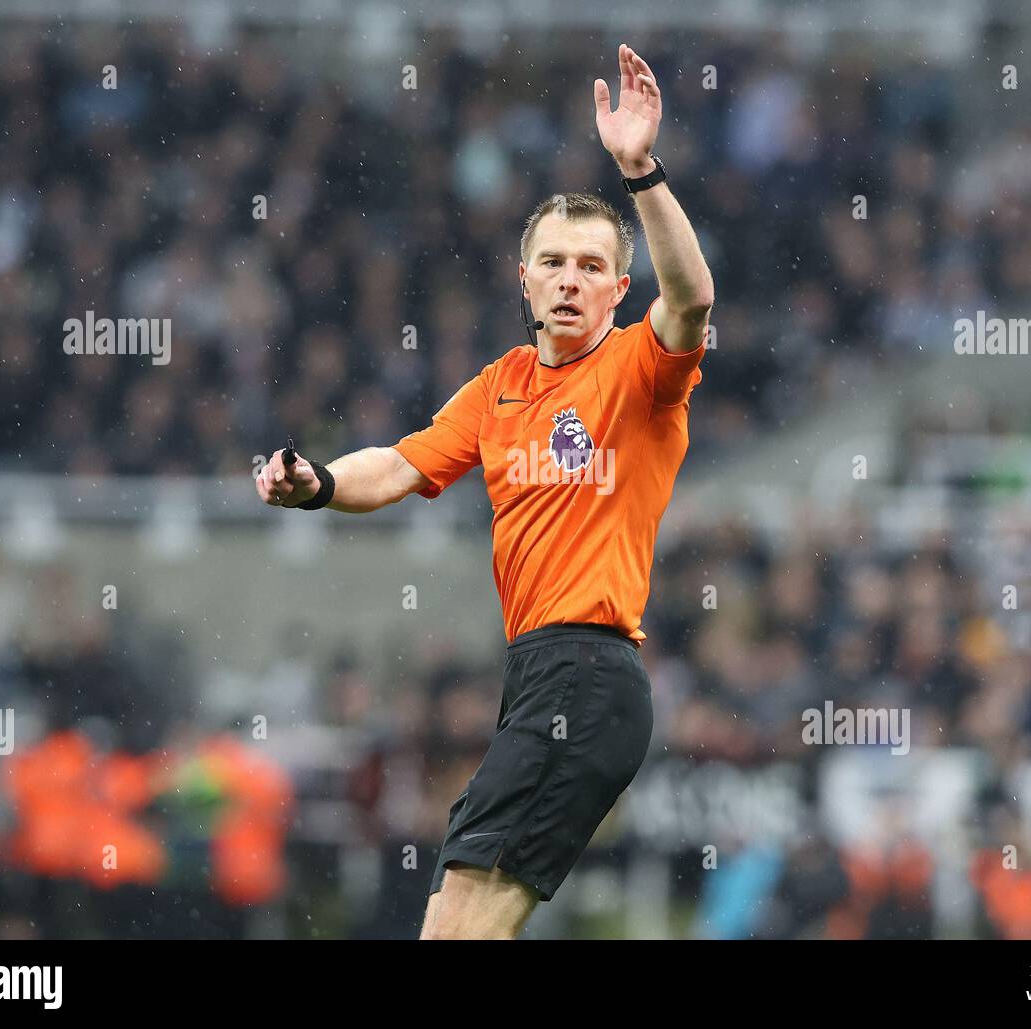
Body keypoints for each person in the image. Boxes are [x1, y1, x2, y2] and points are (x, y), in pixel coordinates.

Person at [257, 43, 713, 938]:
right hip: (541, 677)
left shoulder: (638, 370)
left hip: (587, 672)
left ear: (622, 289)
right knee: (463, 924)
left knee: (459, 923)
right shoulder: (498, 385)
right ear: (525, 279)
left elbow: (693, 297)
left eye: (591, 265)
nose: (571, 279)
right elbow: (397, 465)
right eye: (554, 262)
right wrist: (316, 484)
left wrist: (640, 171)